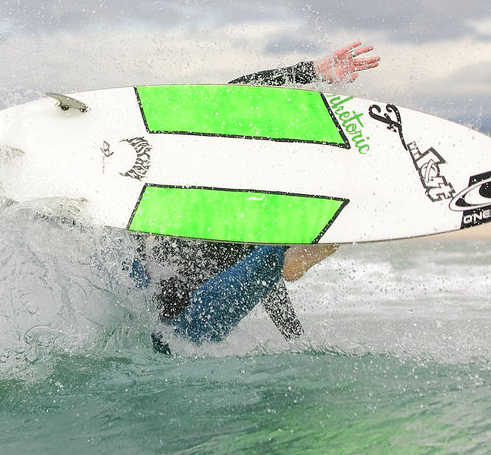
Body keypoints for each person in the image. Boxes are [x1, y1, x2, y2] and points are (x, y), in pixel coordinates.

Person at [142, 41, 380, 354]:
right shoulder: (211, 163)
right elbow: (232, 97)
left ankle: (314, 243)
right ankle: (313, 244)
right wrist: (310, 72)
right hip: (155, 297)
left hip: (194, 316)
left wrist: (297, 339)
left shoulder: (264, 207)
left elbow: (264, 278)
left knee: (275, 255)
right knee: (274, 255)